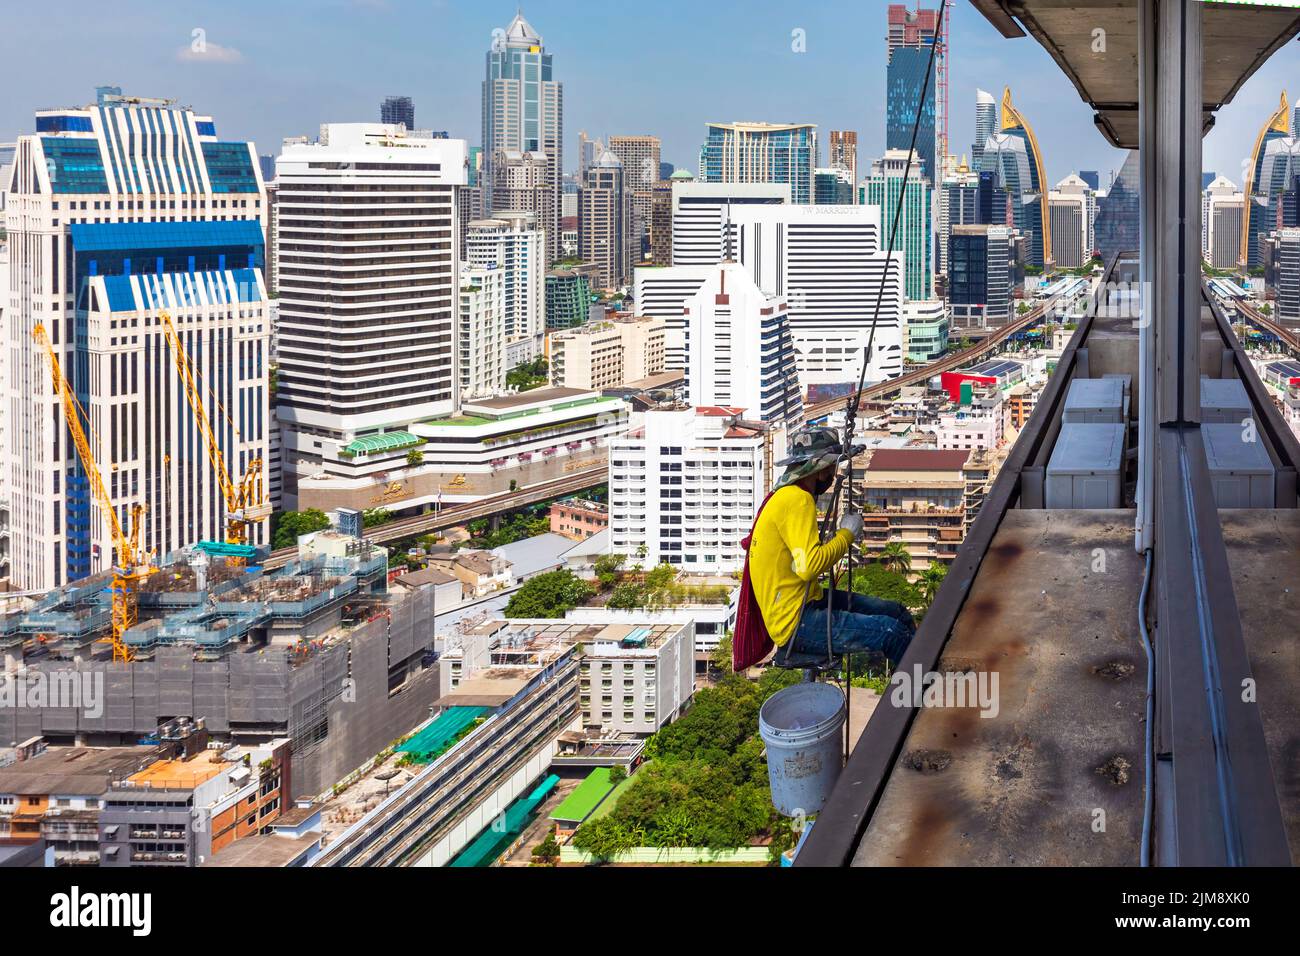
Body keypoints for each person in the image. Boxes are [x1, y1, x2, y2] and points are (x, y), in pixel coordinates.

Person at [745, 429, 915, 667]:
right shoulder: (797, 500)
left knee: (896, 612)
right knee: (891, 632)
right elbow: (808, 567)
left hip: (804, 604)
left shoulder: (785, 496)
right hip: (796, 621)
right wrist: (847, 535)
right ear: (823, 469)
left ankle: (925, 669)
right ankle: (922, 695)